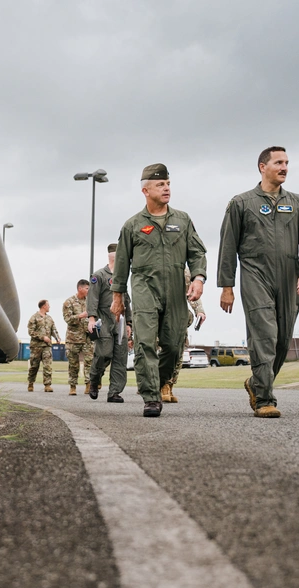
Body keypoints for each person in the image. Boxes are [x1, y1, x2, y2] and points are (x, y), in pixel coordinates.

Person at [218, 146, 299, 418]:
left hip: (289, 277)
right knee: (265, 335)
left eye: (287, 162)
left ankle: (256, 383)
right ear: (262, 167)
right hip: (255, 275)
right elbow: (228, 247)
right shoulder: (241, 203)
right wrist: (226, 287)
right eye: (278, 162)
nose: (284, 167)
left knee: (281, 340)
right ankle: (265, 399)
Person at [111, 163, 208, 417]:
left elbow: (197, 253)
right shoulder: (132, 225)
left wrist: (198, 279)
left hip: (176, 288)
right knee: (144, 344)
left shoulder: (182, 220)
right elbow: (121, 265)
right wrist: (118, 297)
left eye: (168, 184)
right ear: (145, 190)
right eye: (160, 185)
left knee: (174, 345)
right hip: (145, 288)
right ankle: (151, 397)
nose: (166, 189)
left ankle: (159, 380)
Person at [86, 244, 132, 403]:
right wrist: (91, 318)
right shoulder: (99, 275)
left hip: (120, 321)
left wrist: (129, 323)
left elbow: (127, 301)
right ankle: (94, 379)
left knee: (120, 357)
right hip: (103, 319)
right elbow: (92, 298)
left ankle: (114, 392)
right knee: (104, 353)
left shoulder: (123, 276)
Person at [161, 267, 206, 403]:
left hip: (178, 316)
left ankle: (169, 385)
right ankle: (160, 384)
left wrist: (199, 310)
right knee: (163, 351)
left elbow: (191, 292)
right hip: (159, 317)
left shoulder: (183, 270)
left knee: (178, 353)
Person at [63, 279, 94, 396]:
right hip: (73, 338)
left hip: (87, 337)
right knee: (73, 363)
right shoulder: (69, 302)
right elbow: (67, 319)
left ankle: (89, 385)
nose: (89, 291)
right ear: (80, 288)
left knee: (89, 362)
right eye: (87, 288)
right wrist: (80, 316)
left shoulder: (90, 302)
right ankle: (73, 386)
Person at [27, 299, 58, 392]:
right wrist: (42, 337)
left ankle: (47, 385)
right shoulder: (34, 317)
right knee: (34, 366)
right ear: (43, 306)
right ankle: (31, 383)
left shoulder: (49, 318)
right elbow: (30, 331)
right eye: (48, 305)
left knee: (47, 365)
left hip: (47, 346)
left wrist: (57, 338)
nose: (49, 307)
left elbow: (53, 329)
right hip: (36, 346)